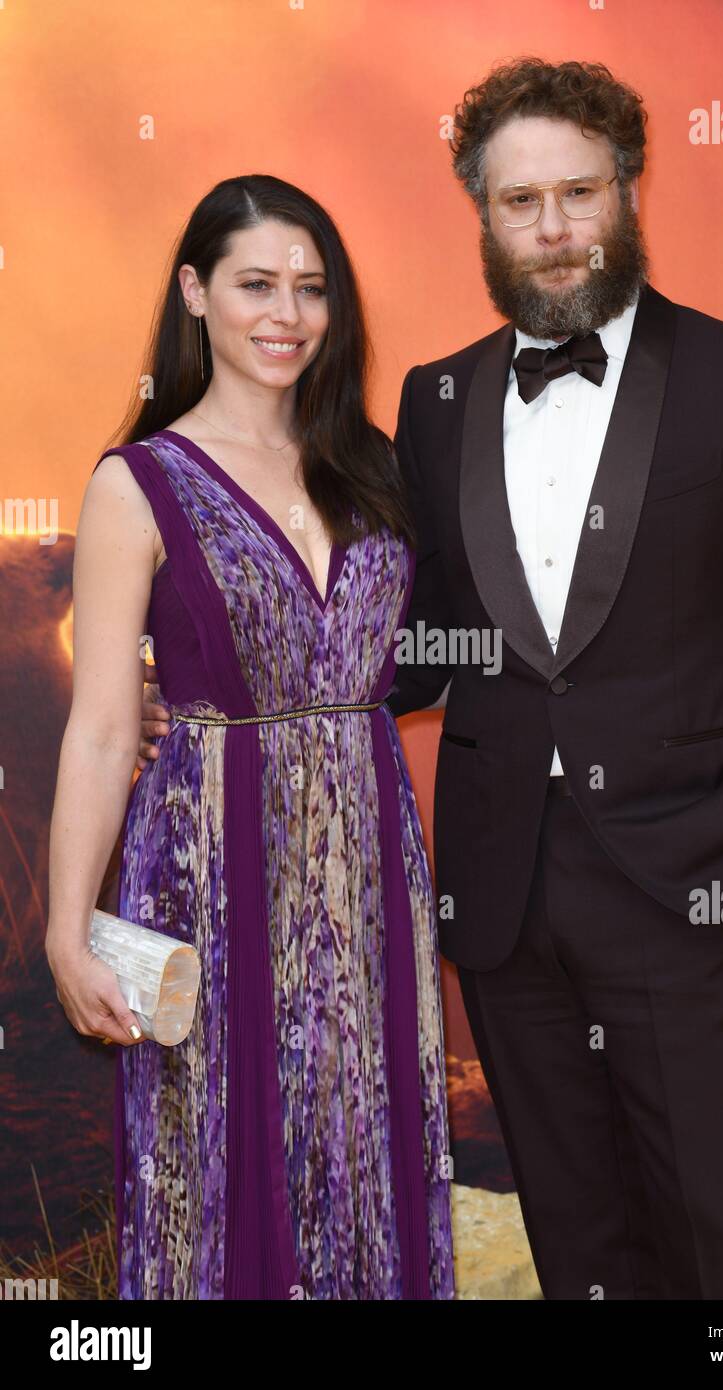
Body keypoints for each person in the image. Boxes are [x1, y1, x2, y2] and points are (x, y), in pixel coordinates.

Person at [141, 60, 723, 1299]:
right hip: (499, 897)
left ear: (627, 191)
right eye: (519, 201)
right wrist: (245, 693)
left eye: (578, 193)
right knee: (575, 1236)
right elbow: (413, 633)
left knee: (717, 1230)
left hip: (689, 879)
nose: (553, 228)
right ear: (479, 210)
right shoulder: (435, 399)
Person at [46, 173, 454, 1300]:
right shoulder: (138, 483)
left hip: (368, 867)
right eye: (256, 284)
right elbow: (100, 727)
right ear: (195, 292)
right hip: (206, 867)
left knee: (369, 1149)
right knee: (213, 1167)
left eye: (311, 289)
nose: (287, 315)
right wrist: (66, 931)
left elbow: (424, 650)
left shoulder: (375, 463)